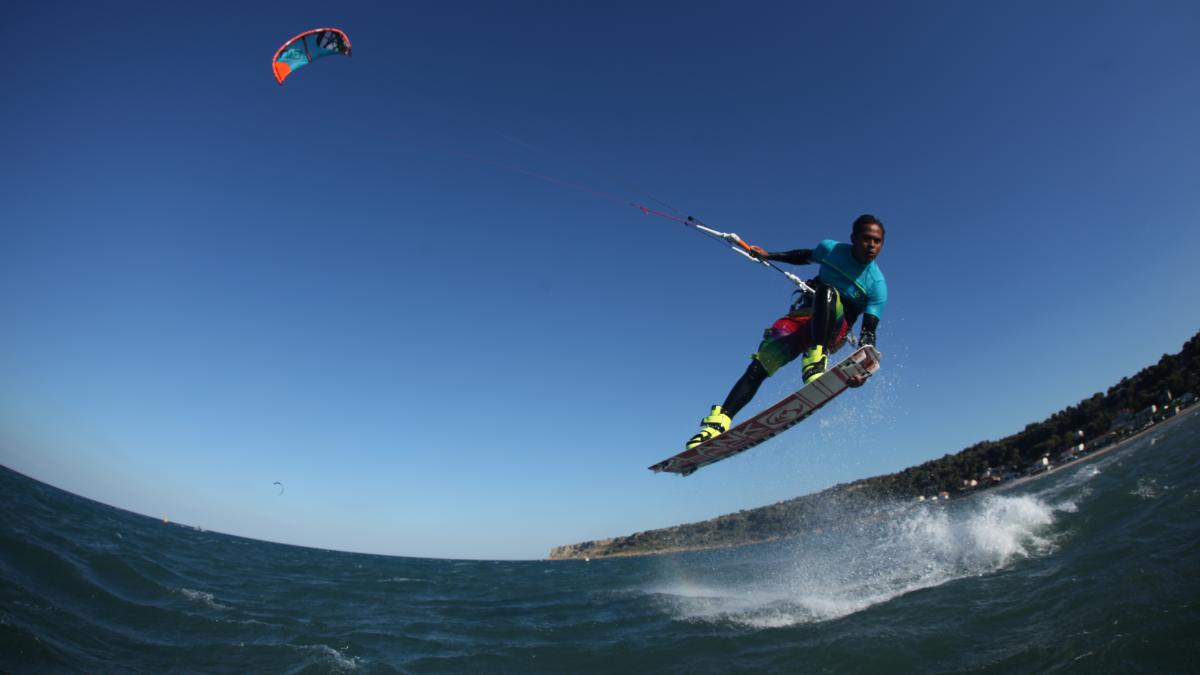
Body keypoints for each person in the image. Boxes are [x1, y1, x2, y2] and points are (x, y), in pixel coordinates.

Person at [686, 214, 888, 450]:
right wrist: (769, 255)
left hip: (835, 331)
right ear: (853, 238)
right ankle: (719, 423)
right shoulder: (830, 249)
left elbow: (868, 337)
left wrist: (862, 370)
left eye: (877, 241)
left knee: (828, 292)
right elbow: (803, 256)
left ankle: (815, 360)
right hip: (803, 318)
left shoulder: (877, 285)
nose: (872, 245)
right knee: (759, 366)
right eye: (866, 239)